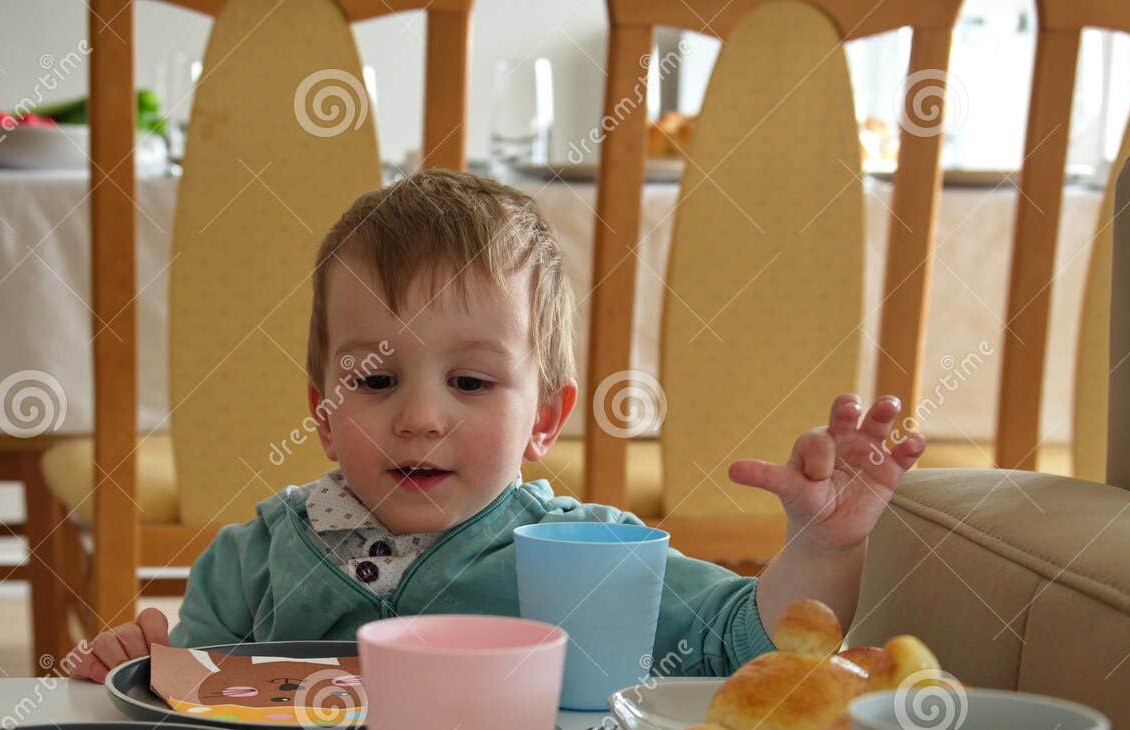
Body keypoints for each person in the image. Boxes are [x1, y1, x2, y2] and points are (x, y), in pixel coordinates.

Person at [65, 170, 924, 683]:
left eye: (471, 380)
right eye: (375, 379)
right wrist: (134, 673)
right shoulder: (250, 561)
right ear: (323, 413)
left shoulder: (594, 560)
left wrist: (822, 549)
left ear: (546, 417)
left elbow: (740, 649)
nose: (420, 417)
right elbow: (189, 719)